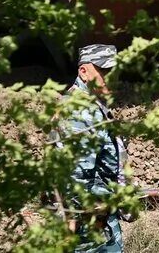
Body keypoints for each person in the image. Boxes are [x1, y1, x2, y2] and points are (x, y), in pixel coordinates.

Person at [54, 43, 127, 253]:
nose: (110, 78)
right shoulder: (82, 113)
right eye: (104, 71)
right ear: (83, 72)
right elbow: (76, 176)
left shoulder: (83, 103)